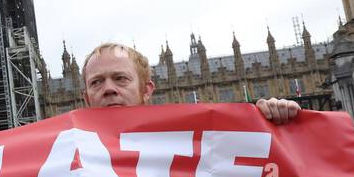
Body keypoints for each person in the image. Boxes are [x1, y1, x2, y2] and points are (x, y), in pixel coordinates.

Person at [81, 43, 302, 124]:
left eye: (121, 79)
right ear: (85, 97)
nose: (109, 89)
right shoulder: (67, 158)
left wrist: (269, 125)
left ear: (146, 90)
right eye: (97, 82)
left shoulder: (186, 140)